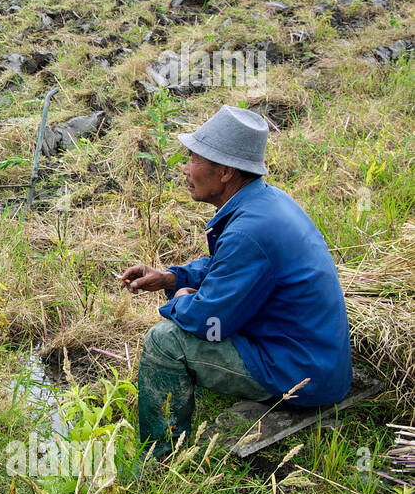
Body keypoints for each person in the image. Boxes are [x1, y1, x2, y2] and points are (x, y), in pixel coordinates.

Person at [120, 105, 352, 459]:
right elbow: (225, 267)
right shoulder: (266, 203)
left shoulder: (249, 231)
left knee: (165, 341)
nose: (185, 168)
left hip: (301, 375)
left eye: (193, 158)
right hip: (314, 358)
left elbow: (207, 320)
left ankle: (159, 459)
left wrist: (181, 297)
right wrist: (172, 277)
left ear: (225, 171)